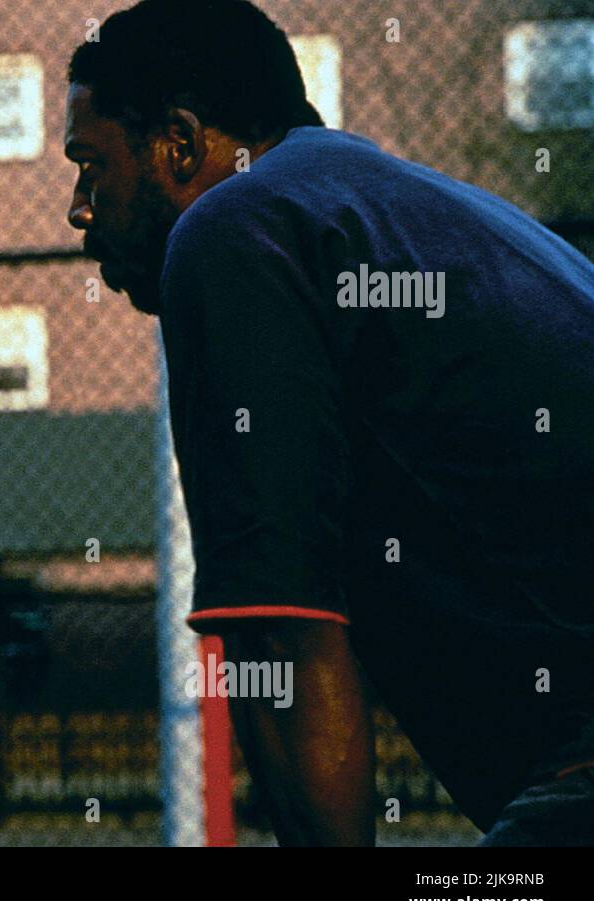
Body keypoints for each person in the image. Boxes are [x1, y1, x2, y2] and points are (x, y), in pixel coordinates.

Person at [63, 0, 594, 845]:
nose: (78, 208)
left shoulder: (236, 228)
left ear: (181, 143)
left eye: (91, 165)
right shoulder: (416, 208)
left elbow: (285, 631)